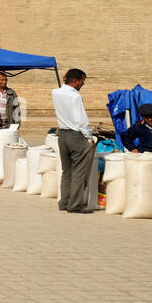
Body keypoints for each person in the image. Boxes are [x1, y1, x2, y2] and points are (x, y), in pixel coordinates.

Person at [51, 68, 95, 212]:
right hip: (76, 135)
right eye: (82, 81)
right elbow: (81, 120)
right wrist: (89, 138)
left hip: (62, 135)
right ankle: (74, 205)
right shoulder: (75, 96)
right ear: (76, 81)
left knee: (67, 171)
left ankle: (64, 202)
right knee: (79, 172)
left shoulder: (55, 92)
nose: (82, 85)